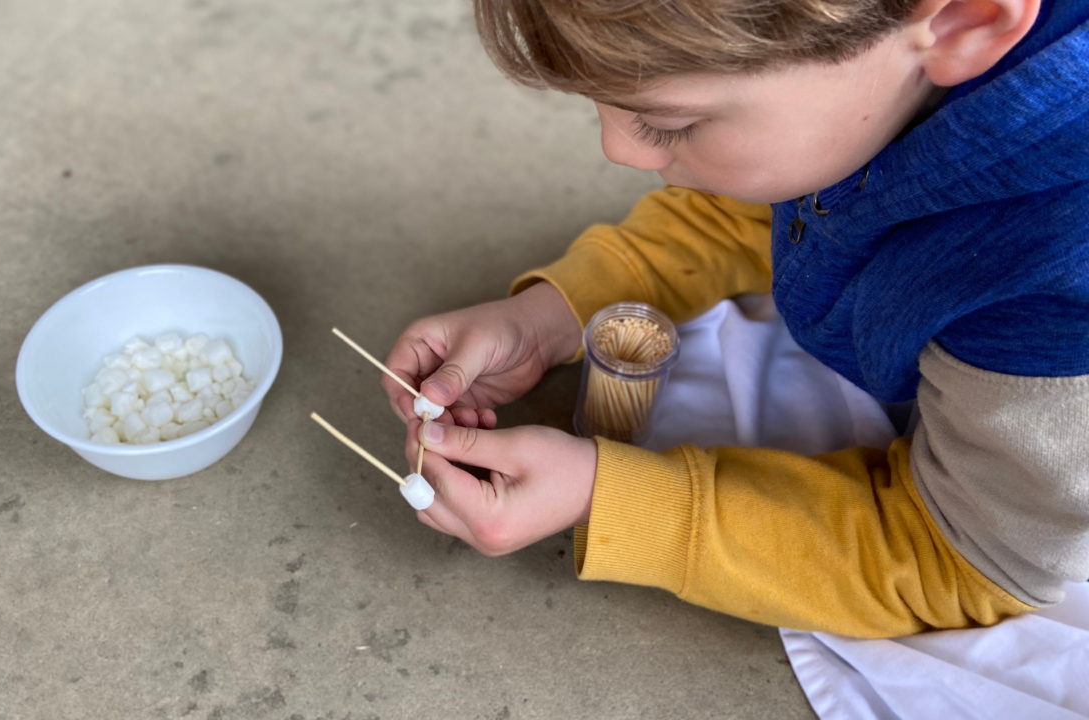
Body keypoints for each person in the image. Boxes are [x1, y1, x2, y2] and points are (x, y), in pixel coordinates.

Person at [381, 0, 1089, 637]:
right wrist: (560, 310)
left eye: (668, 122)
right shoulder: (877, 81)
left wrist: (617, 498)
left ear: (967, 22)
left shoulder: (1057, 282)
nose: (618, 150)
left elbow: (958, 555)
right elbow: (784, 202)